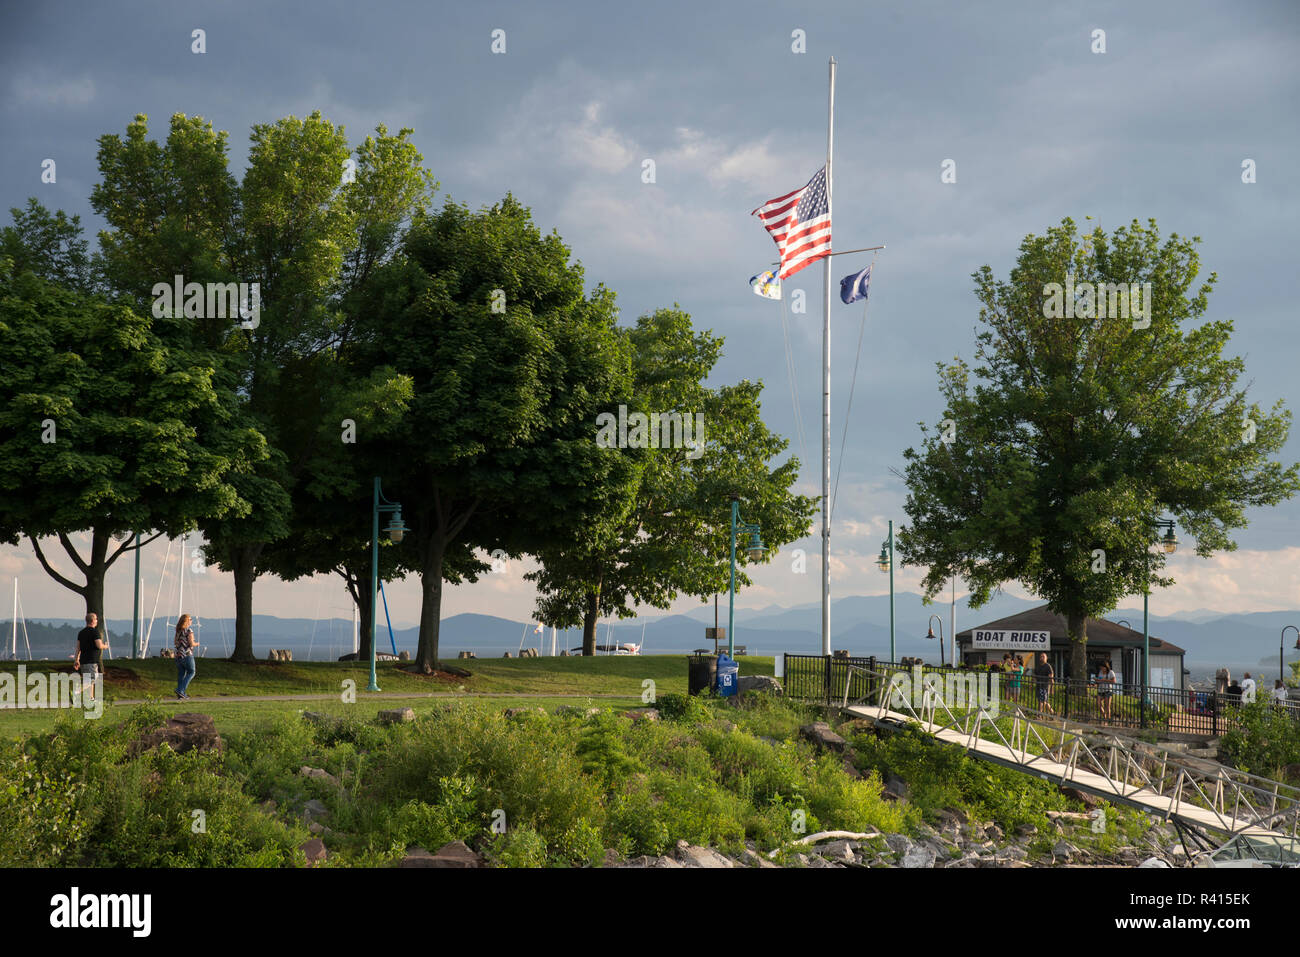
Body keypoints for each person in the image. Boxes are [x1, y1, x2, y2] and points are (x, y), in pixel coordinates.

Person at [72, 612, 105, 702]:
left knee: (88, 679)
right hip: (92, 661)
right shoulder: (95, 632)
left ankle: (91, 698)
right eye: (96, 619)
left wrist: (76, 660)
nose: (97, 621)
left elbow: (78, 648)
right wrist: (105, 646)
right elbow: (99, 645)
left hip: (83, 661)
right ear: (93, 621)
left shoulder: (81, 633)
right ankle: (76, 692)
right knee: (93, 679)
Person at [174, 614, 199, 699]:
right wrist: (197, 644)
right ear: (187, 621)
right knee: (192, 672)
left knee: (181, 674)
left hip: (178, 656)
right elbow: (191, 643)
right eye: (190, 619)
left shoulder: (178, 631)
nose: (192, 621)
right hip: (187, 655)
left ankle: (180, 695)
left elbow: (175, 643)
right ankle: (180, 690)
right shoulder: (189, 631)